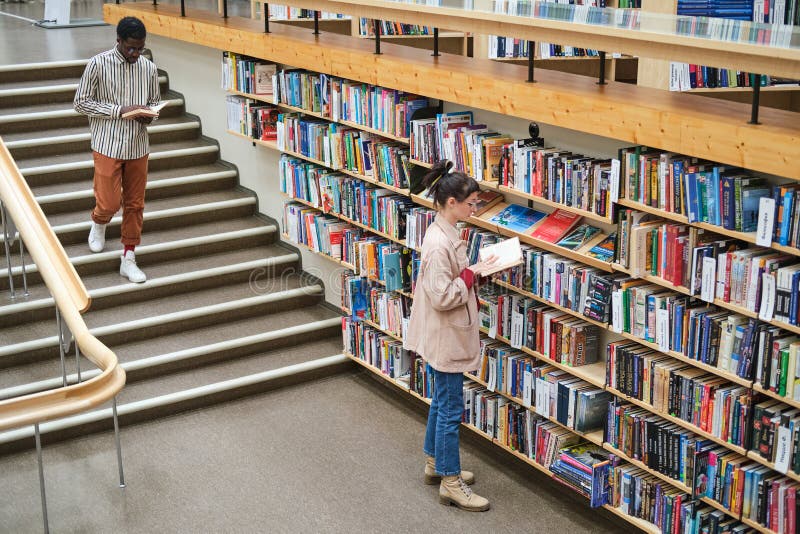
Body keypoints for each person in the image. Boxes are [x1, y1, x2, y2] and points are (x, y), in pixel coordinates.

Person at [404, 160, 498, 512]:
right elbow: (443, 296)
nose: (475, 208)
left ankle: (435, 463)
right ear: (451, 203)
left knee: (442, 404)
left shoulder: (445, 232)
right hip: (445, 338)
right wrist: (471, 275)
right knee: (450, 410)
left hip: (443, 336)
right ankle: (450, 482)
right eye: (471, 203)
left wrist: (474, 275)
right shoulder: (438, 244)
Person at [74, 16, 161, 283]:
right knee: (110, 202)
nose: (135, 53)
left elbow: (155, 102)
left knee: (135, 204)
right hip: (107, 144)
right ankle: (99, 222)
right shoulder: (98, 64)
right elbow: (81, 103)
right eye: (130, 48)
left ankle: (129, 257)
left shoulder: (148, 68)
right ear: (119, 41)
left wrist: (150, 115)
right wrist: (118, 111)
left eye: (140, 48)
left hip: (138, 145)